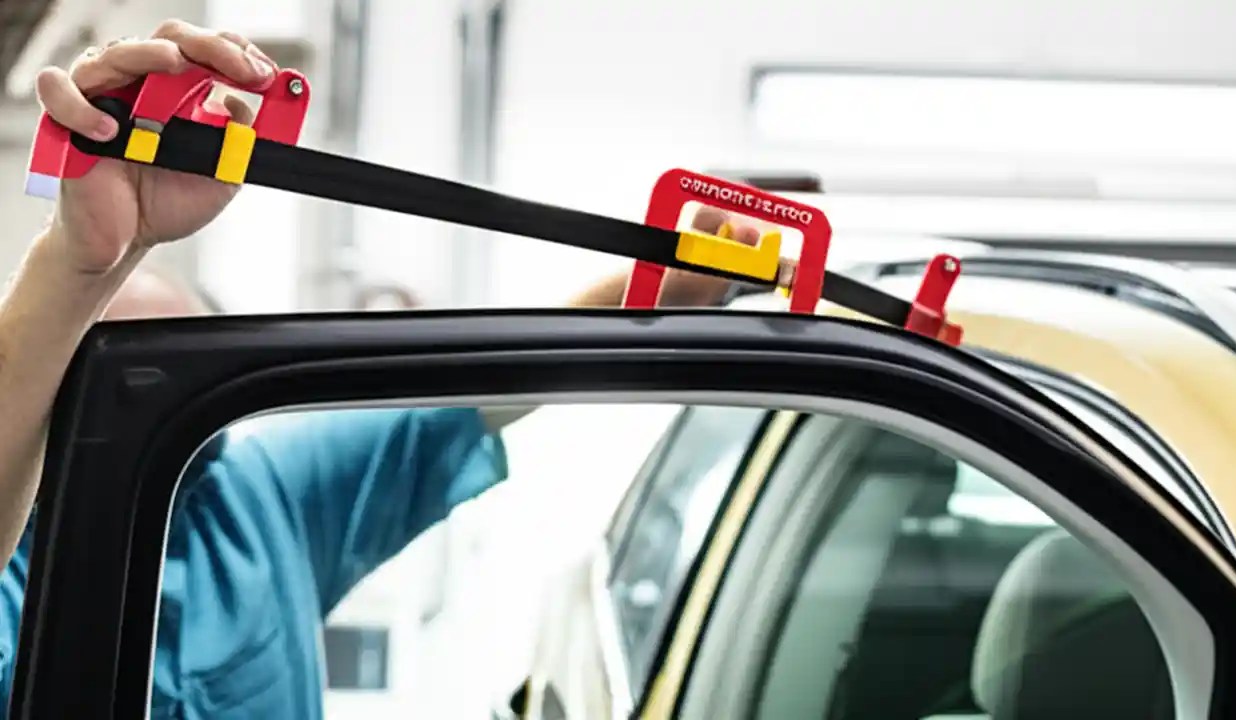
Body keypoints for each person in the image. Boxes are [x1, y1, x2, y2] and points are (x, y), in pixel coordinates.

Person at [0, 19, 760, 718]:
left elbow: (480, 386)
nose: (153, 408)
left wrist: (666, 286)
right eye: (114, 384)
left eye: (178, 381)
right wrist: (75, 270)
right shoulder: (14, 570)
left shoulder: (261, 496)